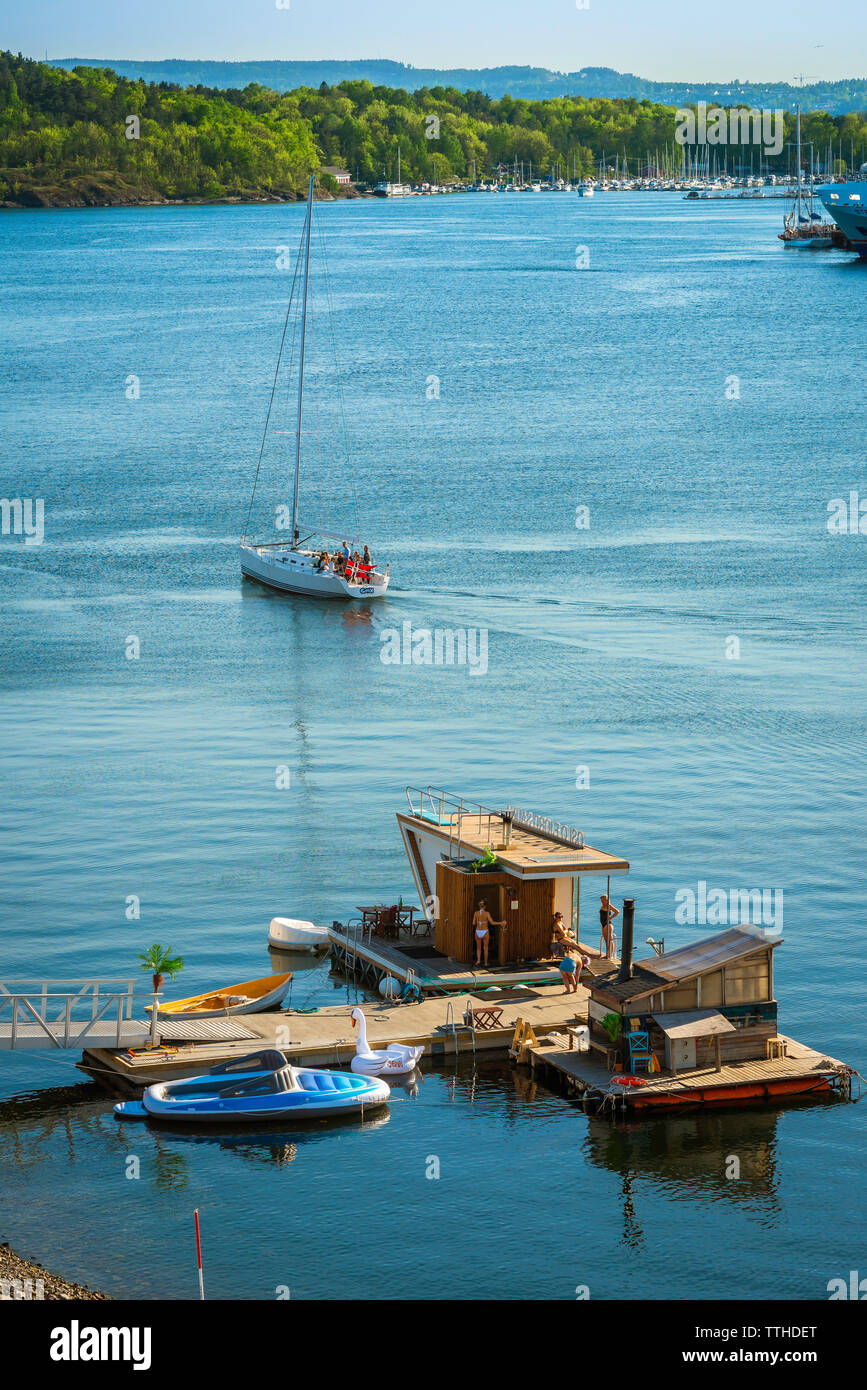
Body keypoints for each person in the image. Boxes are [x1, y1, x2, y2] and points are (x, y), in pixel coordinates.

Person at [472, 897, 505, 968]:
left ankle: (478, 961)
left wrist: (479, 921)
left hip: (478, 931)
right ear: (485, 906)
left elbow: (473, 923)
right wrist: (501, 923)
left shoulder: (476, 913)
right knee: (485, 948)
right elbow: (492, 923)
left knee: (478, 948)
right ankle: (486, 963)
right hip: (485, 931)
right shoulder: (487, 913)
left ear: (479, 906)